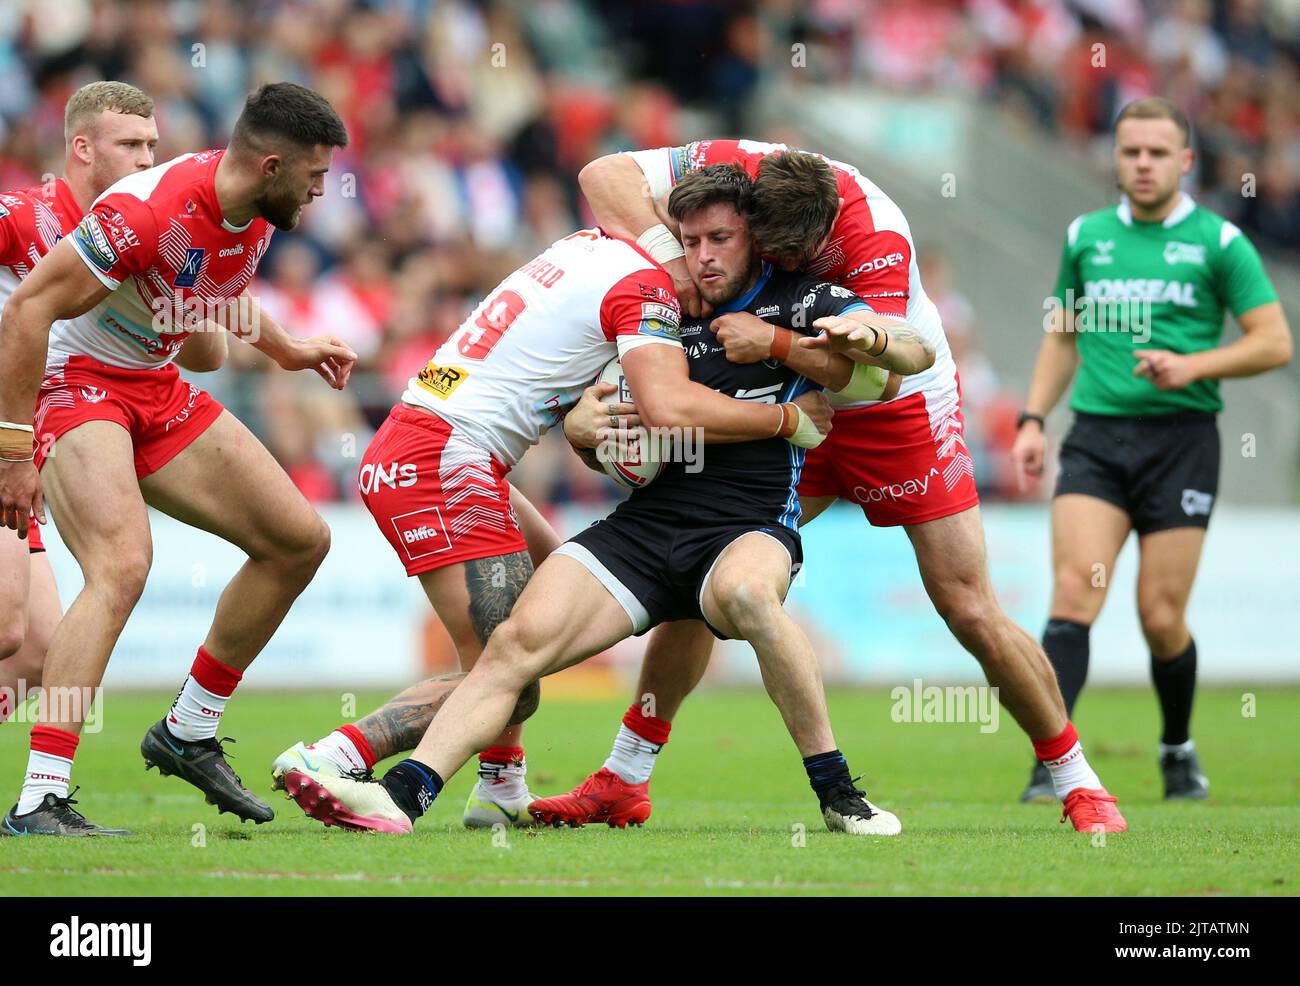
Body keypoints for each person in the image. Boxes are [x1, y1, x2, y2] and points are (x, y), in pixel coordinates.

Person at [279, 164, 934, 837]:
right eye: (691, 240)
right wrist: (588, 434)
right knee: (514, 647)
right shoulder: (657, 302)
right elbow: (606, 417)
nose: (703, 257)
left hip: (748, 524)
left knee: (747, 599)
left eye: (719, 239)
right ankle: (401, 795)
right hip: (643, 526)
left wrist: (841, 340)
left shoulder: (800, 299)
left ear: (753, 240)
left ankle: (837, 793)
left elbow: (908, 353)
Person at [538, 141, 1127, 833]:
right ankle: (624, 778)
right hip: (777, 403)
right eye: (765, 252)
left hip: (886, 408)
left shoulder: (874, 234)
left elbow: (888, 372)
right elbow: (602, 174)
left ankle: (1077, 779)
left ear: (823, 236)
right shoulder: (740, 165)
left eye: (794, 260)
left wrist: (780, 342)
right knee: (698, 562)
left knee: (966, 606)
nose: (778, 270)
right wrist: (676, 270)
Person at [0, 82, 355, 837]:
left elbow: (209, 293)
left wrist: (289, 348)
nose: (324, 191)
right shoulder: (144, 210)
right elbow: (28, 307)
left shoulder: (252, 217)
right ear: (270, 165)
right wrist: (12, 448)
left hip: (154, 386)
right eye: (315, 177)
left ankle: (189, 727)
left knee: (300, 540)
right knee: (122, 566)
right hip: (77, 384)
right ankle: (40, 797)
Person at [1010, 97, 1292, 802]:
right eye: (1131, 151)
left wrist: (1193, 365)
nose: (1142, 164)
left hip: (1182, 443)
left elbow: (1274, 341)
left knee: (1160, 616)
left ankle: (1176, 749)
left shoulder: (1219, 243)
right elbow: (1061, 334)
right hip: (1098, 439)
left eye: (1158, 153)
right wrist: (1033, 418)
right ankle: (1056, 762)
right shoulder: (1086, 235)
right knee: (1074, 591)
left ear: (1186, 161)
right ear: (1116, 157)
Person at [0, 82, 229, 732]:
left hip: (24, 449)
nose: (146, 156)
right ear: (81, 147)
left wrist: (203, 289)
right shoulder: (22, 217)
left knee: (37, 652)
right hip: (8, 442)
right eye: (130, 144)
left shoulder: (144, 231)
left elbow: (204, 356)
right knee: (6, 626)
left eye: (153, 144)